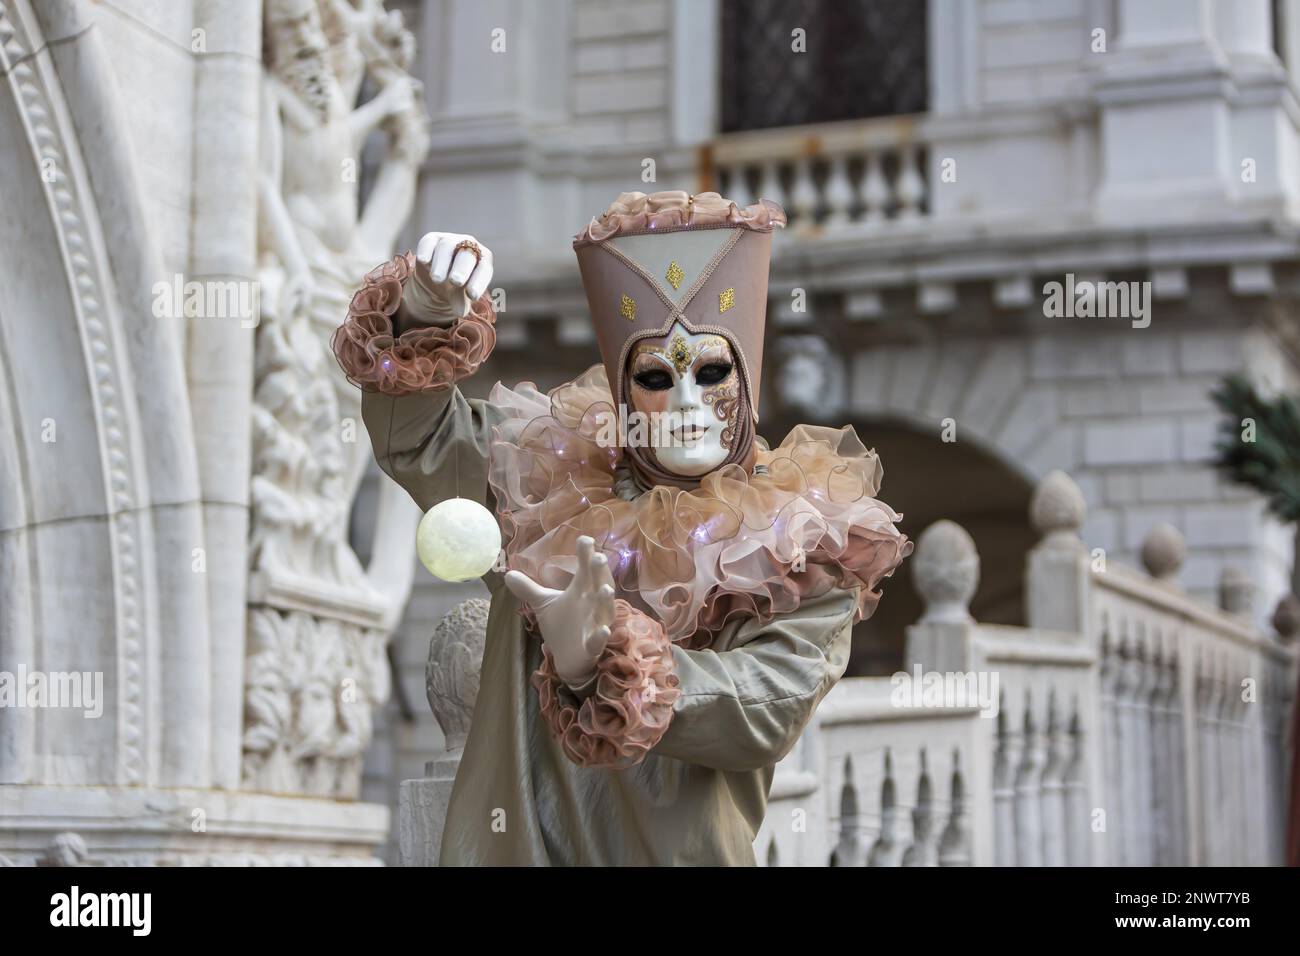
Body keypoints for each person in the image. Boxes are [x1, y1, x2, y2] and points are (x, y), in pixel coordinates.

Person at [332, 190, 912, 865]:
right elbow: (420, 439)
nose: (688, 403)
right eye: (657, 376)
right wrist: (424, 315)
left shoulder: (796, 539)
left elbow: (766, 704)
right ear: (622, 386)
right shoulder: (544, 480)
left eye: (713, 372)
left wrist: (612, 664)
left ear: (747, 379)